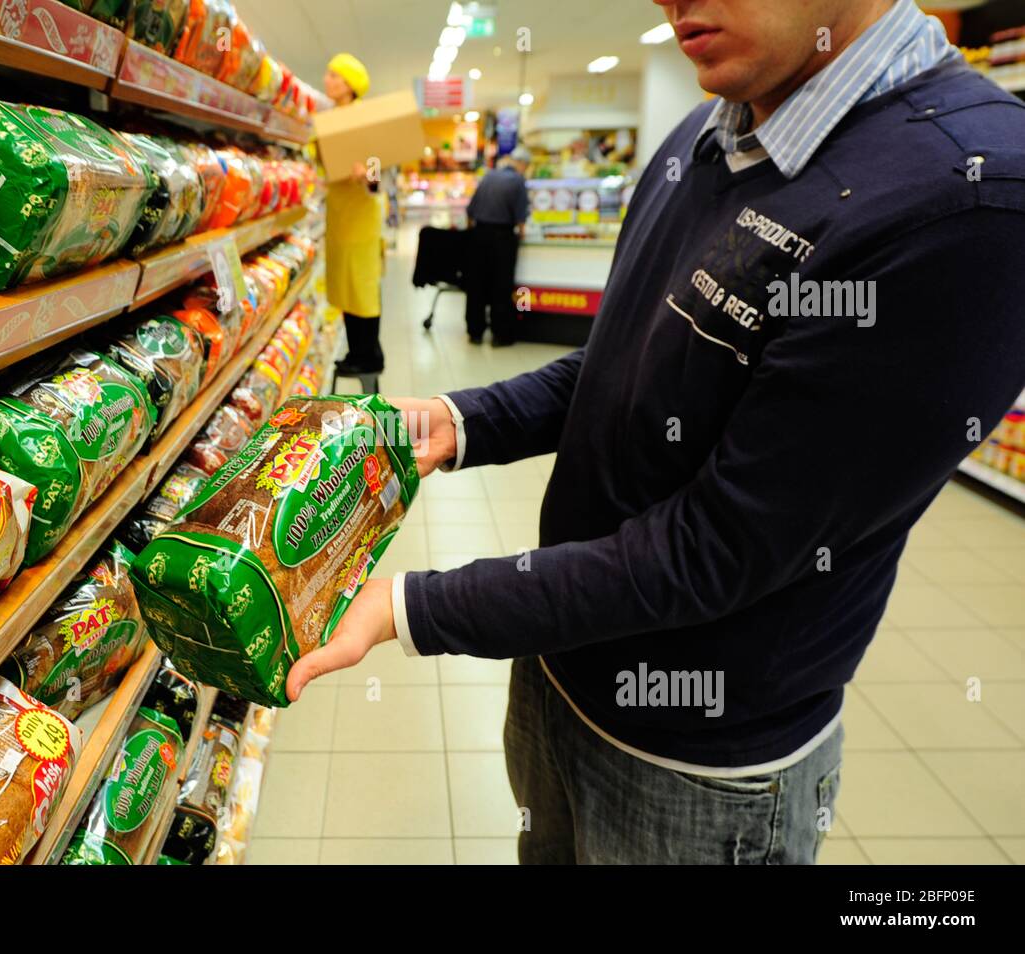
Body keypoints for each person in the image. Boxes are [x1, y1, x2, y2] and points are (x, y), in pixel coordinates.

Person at [286, 0, 1025, 865]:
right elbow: (616, 365)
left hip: (697, 774)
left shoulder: (969, 198)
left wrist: (410, 607)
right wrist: (453, 423)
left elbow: (719, 547)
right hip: (559, 677)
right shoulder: (704, 136)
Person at [322, 53, 385, 376]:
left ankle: (370, 354)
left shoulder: (364, 118)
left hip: (360, 213)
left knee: (361, 284)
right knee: (345, 284)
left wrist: (367, 173)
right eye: (328, 75)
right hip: (339, 211)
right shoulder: (330, 118)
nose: (328, 80)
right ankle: (356, 351)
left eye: (335, 76)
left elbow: (380, 162)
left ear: (351, 83)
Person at [464, 147, 530, 346]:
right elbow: (521, 221)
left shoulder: (488, 176)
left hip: (478, 236)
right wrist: (521, 234)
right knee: (501, 286)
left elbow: (470, 212)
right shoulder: (518, 181)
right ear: (522, 165)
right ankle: (500, 335)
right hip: (502, 238)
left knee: (477, 285)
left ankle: (475, 332)